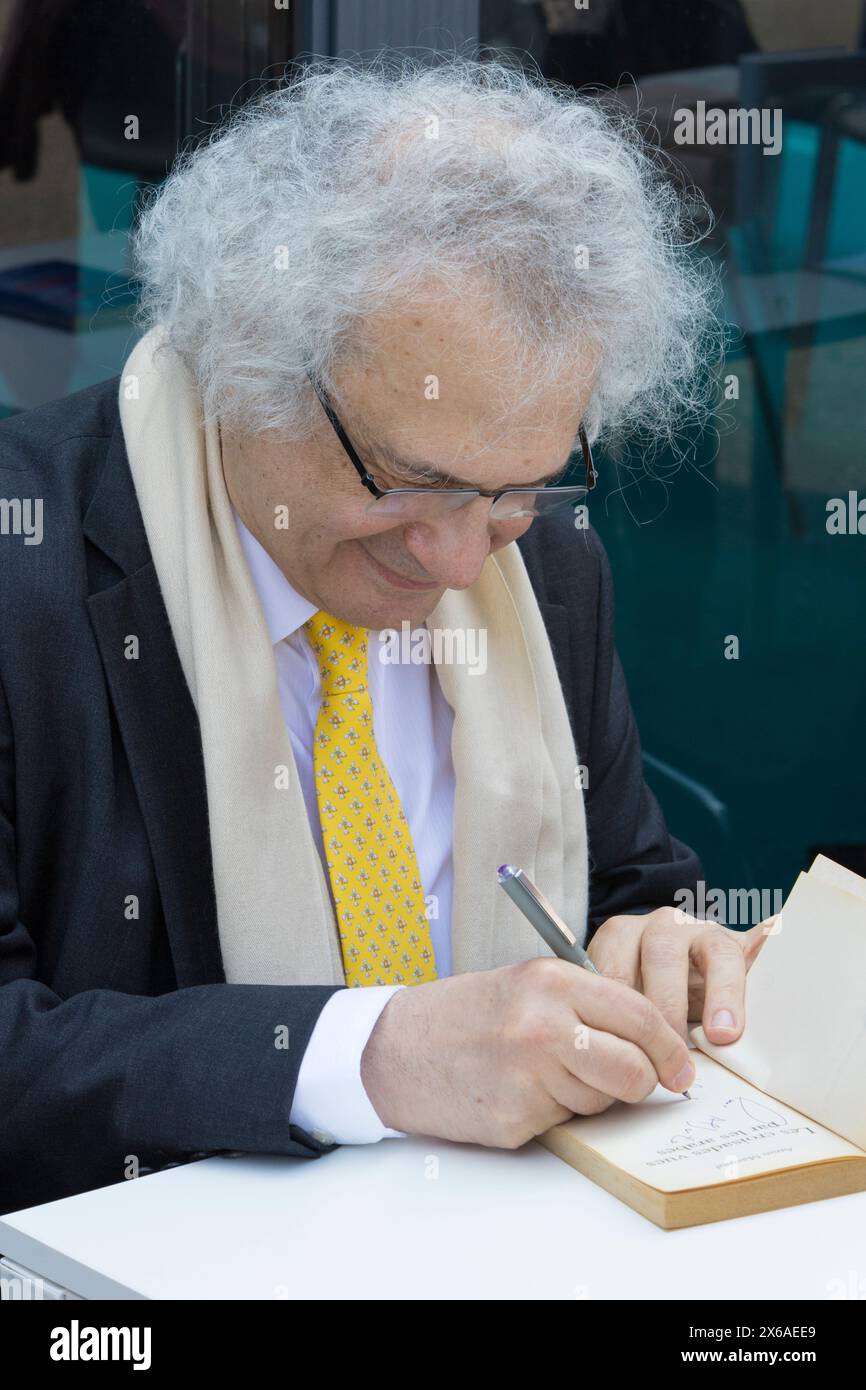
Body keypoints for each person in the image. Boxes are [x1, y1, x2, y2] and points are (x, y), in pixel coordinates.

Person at [0, 56, 763, 1215]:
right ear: (245, 353)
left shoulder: (543, 561)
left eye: (521, 486)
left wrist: (657, 948)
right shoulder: (26, 574)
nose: (460, 562)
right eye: (409, 483)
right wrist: (370, 1055)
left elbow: (627, 880)